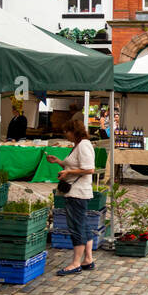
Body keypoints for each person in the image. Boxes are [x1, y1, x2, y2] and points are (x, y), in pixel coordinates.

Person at [47, 115, 96, 275]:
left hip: (78, 192)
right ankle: (88, 259)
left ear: (74, 132)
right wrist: (59, 162)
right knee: (83, 224)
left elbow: (89, 169)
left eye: (67, 131)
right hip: (76, 192)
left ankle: (76, 263)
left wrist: (68, 171)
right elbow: (76, 165)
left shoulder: (83, 145)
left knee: (76, 227)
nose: (65, 134)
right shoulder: (78, 145)